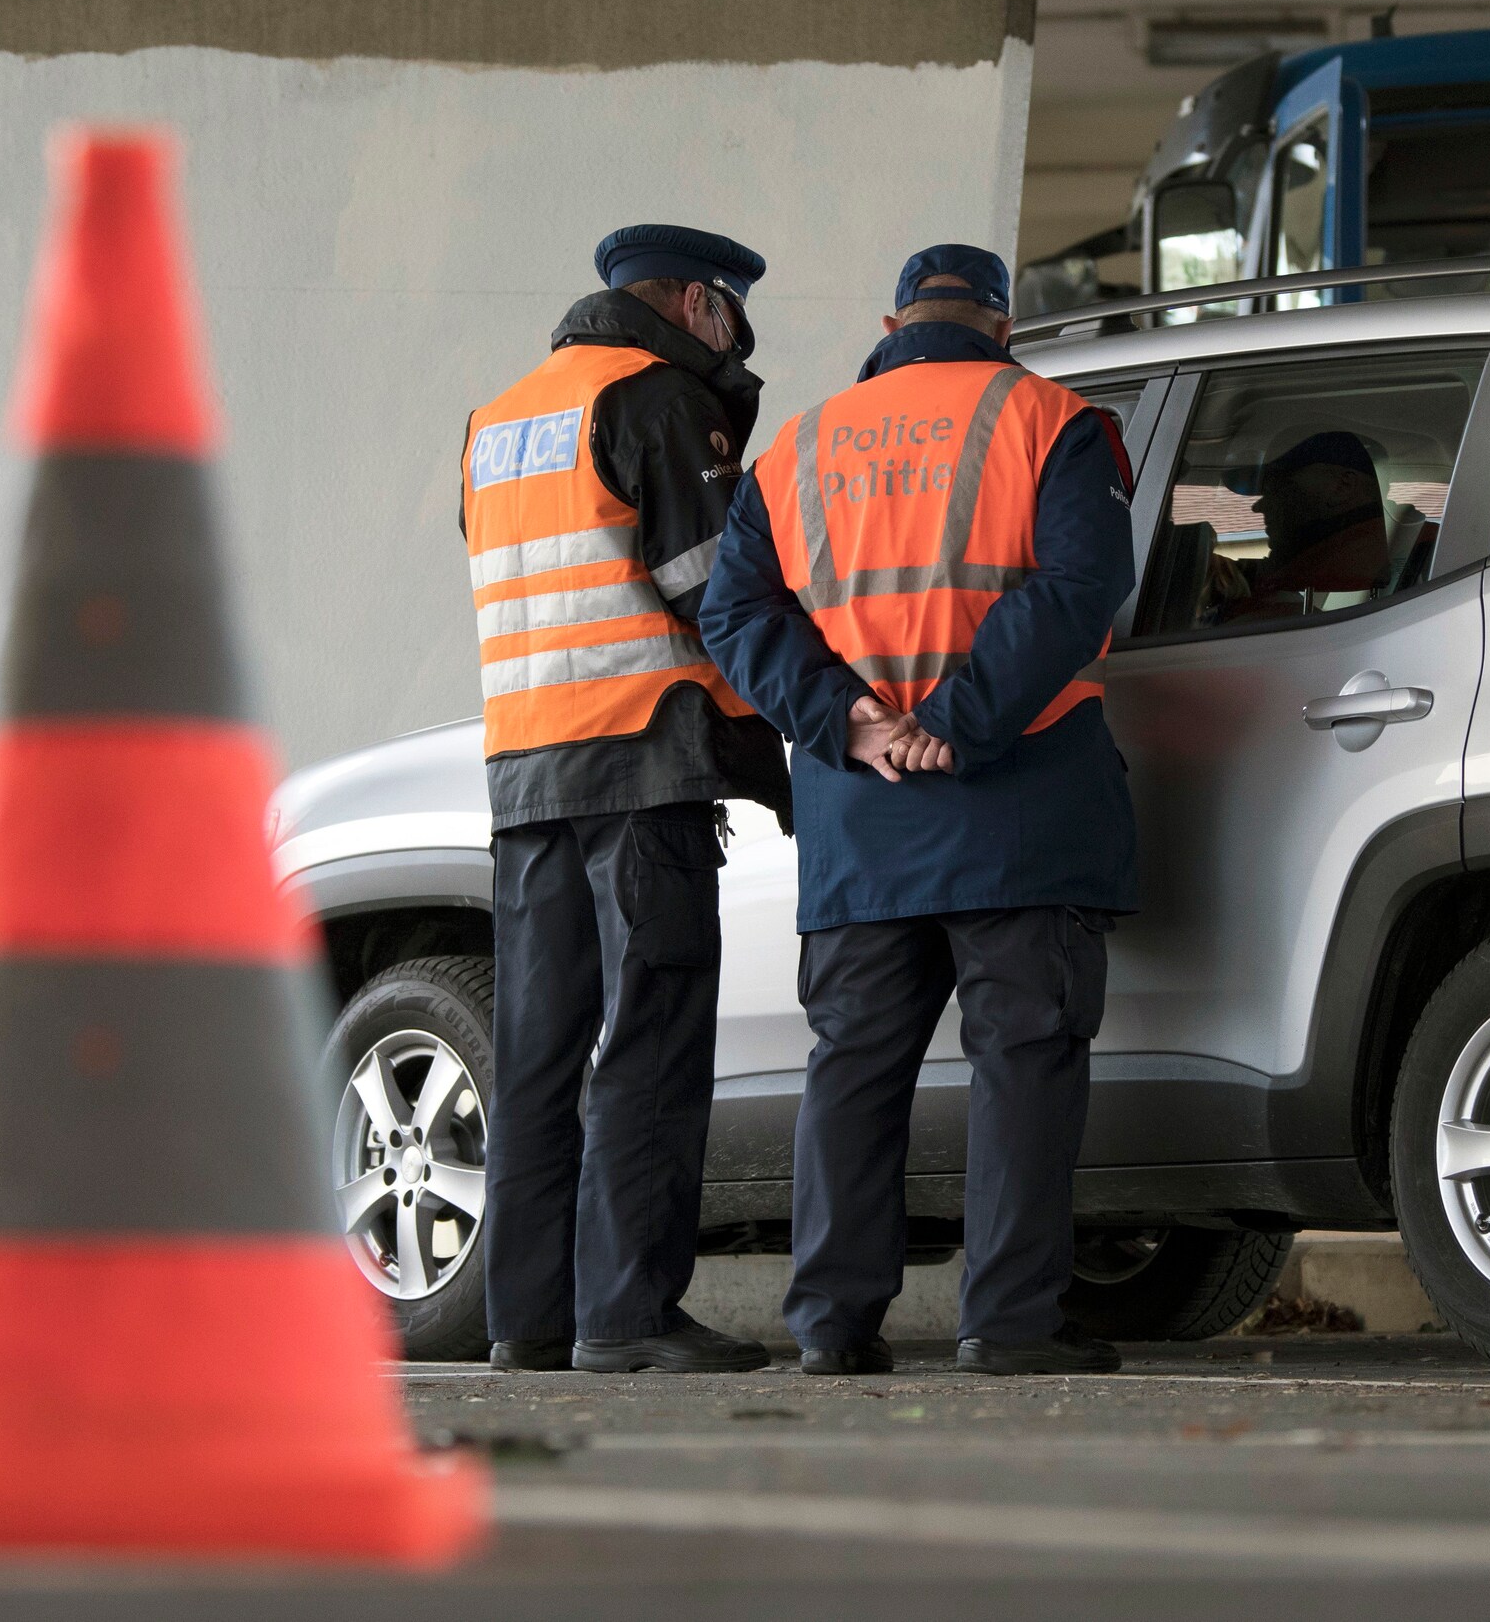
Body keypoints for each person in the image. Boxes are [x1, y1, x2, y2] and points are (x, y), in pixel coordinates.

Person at [698, 244, 1138, 1377]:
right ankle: (1005, 1324)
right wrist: (962, 716)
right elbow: (1078, 589)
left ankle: (830, 1324)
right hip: (1016, 802)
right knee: (1022, 1062)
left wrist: (849, 718)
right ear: (1001, 326)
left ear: (890, 320)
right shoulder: (1048, 420)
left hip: (859, 813)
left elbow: (736, 615)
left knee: (851, 1066)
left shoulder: (800, 444)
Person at [462, 224, 791, 1374]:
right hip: (640, 769)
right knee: (647, 1043)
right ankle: (629, 1315)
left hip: (522, 779)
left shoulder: (497, 419)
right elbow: (717, 601)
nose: (734, 339)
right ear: (698, 306)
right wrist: (795, 736)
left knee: (537, 1054)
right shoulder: (652, 401)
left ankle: (527, 1320)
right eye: (731, 318)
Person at [1204, 430, 1393, 625]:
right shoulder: (1298, 577)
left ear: (1342, 487)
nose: (1258, 506)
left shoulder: (1278, 622)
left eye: (1279, 486)